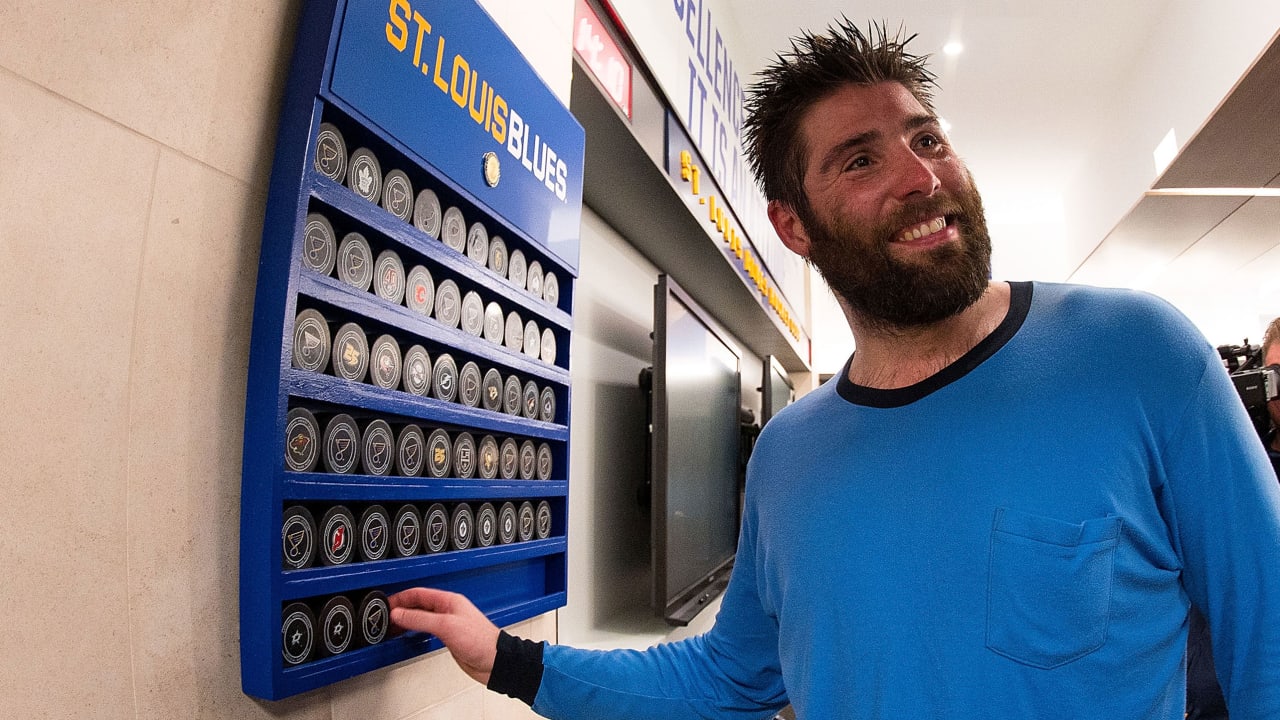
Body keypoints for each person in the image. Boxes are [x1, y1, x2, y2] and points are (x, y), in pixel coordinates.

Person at [389, 20, 1280, 718]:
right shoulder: (786, 458)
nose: (920, 176)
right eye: (861, 159)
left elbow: (1268, 648)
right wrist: (507, 660)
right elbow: (726, 680)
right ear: (794, 226)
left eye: (926, 138)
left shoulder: (1140, 356)